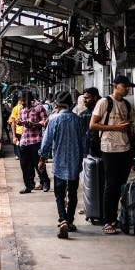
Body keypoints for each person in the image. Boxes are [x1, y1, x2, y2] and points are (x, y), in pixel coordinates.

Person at [89, 76, 135, 235]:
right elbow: (93, 125)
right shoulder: (104, 102)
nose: (127, 89)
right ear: (115, 86)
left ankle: (120, 217)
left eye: (129, 86)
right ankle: (108, 220)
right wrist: (115, 128)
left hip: (125, 149)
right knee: (111, 185)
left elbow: (129, 128)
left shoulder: (128, 105)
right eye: (125, 86)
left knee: (122, 185)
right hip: (109, 149)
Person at [38, 91, 86, 238]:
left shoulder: (54, 120)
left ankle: (62, 219)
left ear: (57, 104)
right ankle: (70, 221)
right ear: (71, 104)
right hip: (74, 162)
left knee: (59, 194)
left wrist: (42, 159)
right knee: (72, 193)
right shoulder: (77, 120)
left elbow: (46, 141)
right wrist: (83, 158)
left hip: (59, 162)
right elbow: (83, 142)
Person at [14, 92, 49, 193]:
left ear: (29, 99)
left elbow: (45, 121)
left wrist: (34, 124)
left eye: (23, 100)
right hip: (24, 141)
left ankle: (45, 182)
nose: (22, 102)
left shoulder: (39, 107)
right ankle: (28, 185)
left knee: (38, 164)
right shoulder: (22, 109)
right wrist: (19, 122)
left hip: (36, 140)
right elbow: (20, 120)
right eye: (21, 100)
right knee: (25, 165)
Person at [79, 87, 101, 157]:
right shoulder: (82, 115)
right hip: (88, 150)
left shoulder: (102, 113)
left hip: (102, 149)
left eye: (87, 98)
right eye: (84, 98)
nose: (84, 100)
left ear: (95, 97)